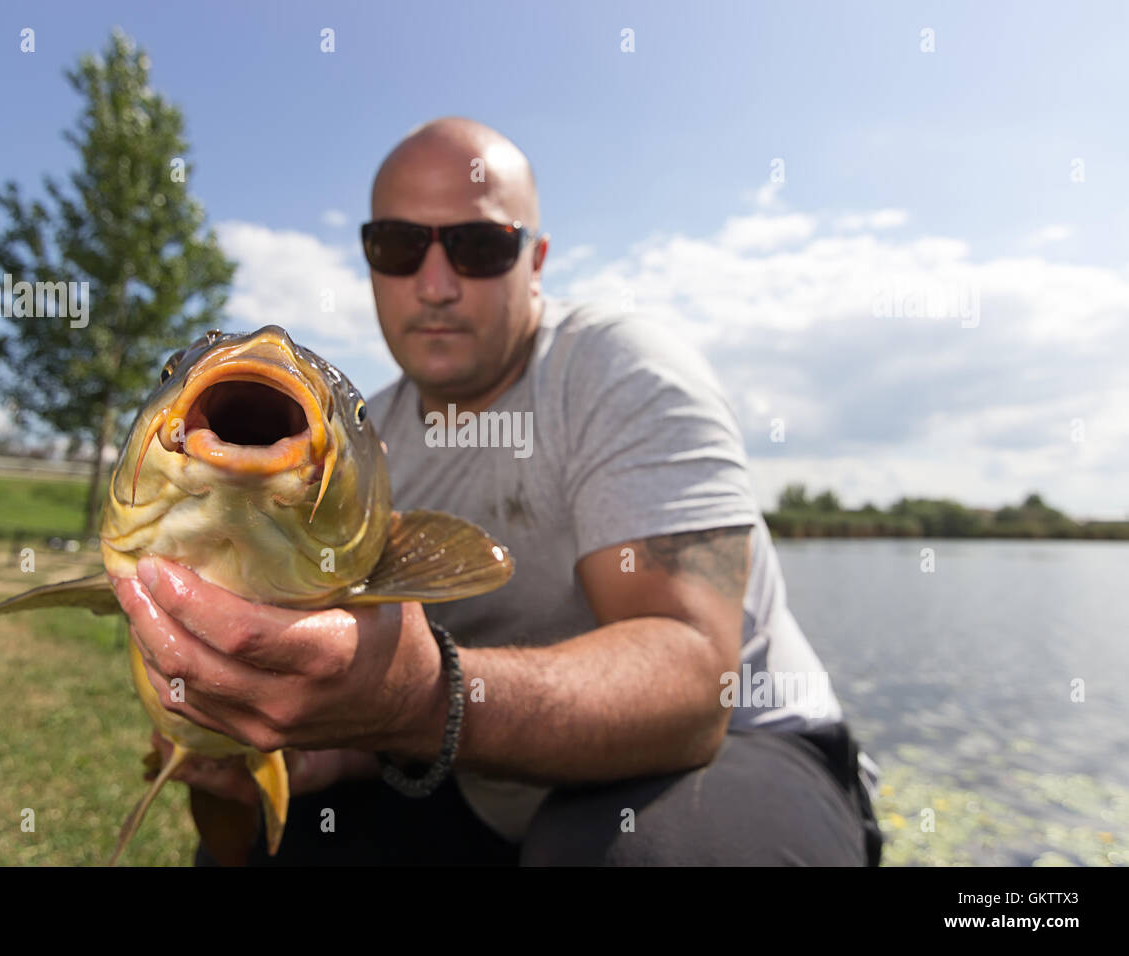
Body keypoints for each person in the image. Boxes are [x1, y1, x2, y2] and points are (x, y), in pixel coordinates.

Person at [110, 116, 883, 866]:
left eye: (480, 246)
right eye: (399, 246)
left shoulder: (624, 372)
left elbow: (694, 689)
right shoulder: (355, 438)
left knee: (633, 853)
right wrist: (323, 744)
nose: (436, 284)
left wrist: (422, 701)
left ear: (536, 259)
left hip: (741, 747)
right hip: (480, 773)